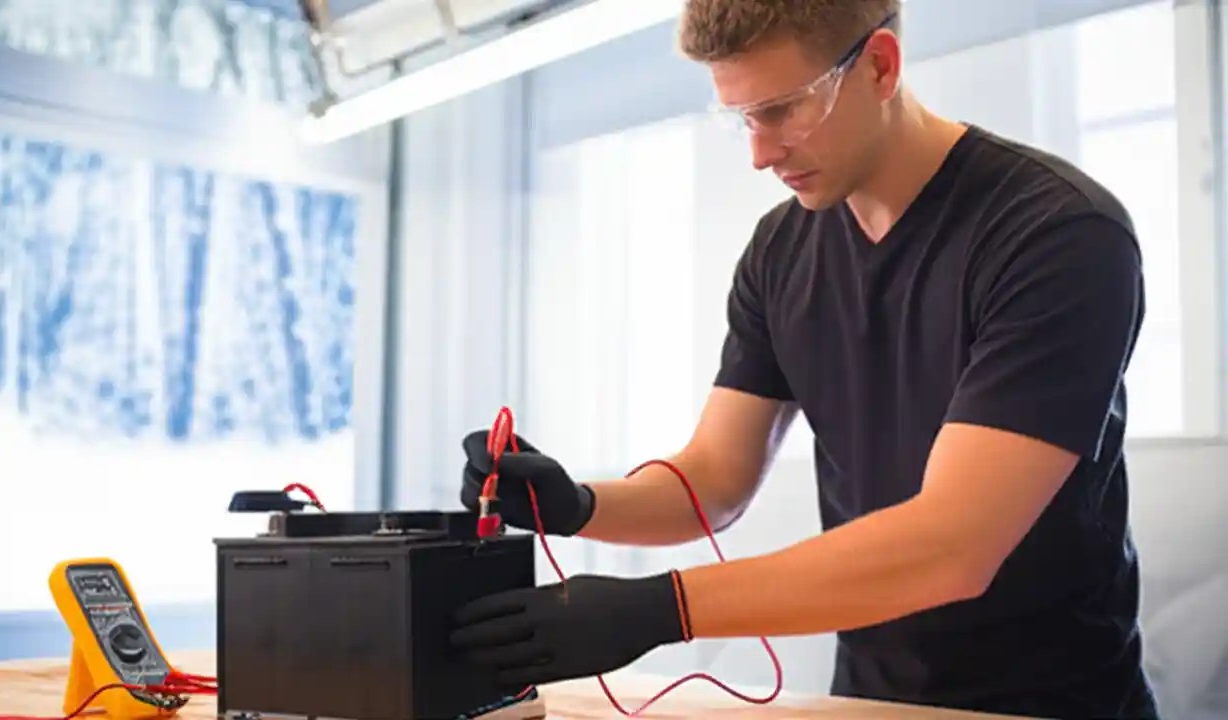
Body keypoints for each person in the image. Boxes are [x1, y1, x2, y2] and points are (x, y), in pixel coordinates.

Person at [448, 1, 1160, 718]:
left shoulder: (1057, 234)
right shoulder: (780, 251)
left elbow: (953, 545)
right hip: (870, 704)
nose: (760, 153)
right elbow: (715, 476)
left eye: (784, 109)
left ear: (879, 66)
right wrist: (578, 505)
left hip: (1055, 704)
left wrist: (660, 610)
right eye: (743, 119)